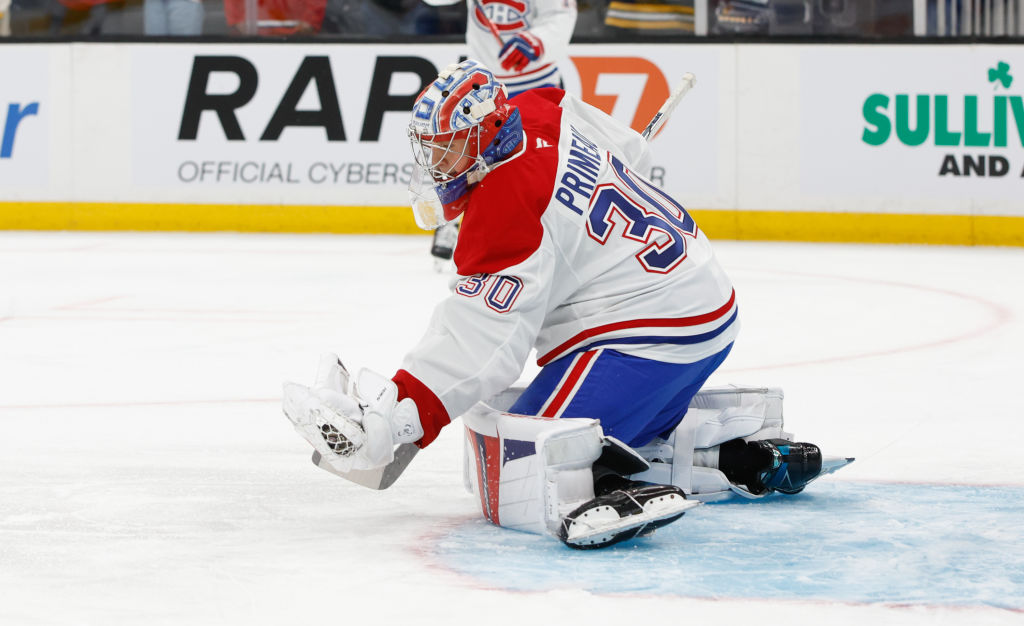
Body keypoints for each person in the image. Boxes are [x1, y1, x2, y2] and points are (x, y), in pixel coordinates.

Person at [283, 59, 830, 549]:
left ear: (485, 134)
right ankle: (730, 456)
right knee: (529, 438)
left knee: (514, 468)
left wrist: (399, 420)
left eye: (447, 146)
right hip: (703, 305)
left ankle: (606, 483)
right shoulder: (535, 107)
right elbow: (625, 149)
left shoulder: (505, 207)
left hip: (651, 333)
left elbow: (482, 344)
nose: (436, 162)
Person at [423, 0, 579, 269]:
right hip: (482, 87)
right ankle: (455, 221)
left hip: (538, 81)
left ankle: (552, 230)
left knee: (541, 161)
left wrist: (536, 41)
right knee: (466, 157)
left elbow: (561, 15)